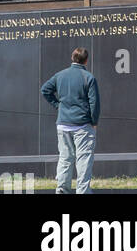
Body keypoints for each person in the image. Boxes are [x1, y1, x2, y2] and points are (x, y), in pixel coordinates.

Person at [41, 47, 100, 195]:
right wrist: (94, 121)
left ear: (72, 58)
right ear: (86, 60)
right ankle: (83, 192)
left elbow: (45, 90)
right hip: (82, 125)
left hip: (63, 124)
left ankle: (62, 191)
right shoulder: (89, 78)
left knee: (65, 159)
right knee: (83, 161)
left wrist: (58, 106)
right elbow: (95, 103)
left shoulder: (60, 75)